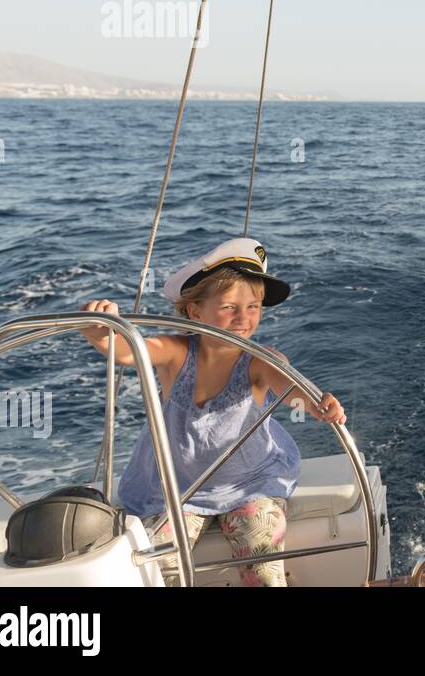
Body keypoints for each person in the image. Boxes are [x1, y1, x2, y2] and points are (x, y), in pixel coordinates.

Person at [80, 237, 345, 586]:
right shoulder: (175, 353)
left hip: (250, 483)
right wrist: (102, 334)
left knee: (264, 559)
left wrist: (317, 405)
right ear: (195, 312)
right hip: (175, 490)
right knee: (153, 565)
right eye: (229, 307)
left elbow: (291, 389)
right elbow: (130, 350)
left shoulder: (261, 361)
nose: (243, 318)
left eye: (253, 307)